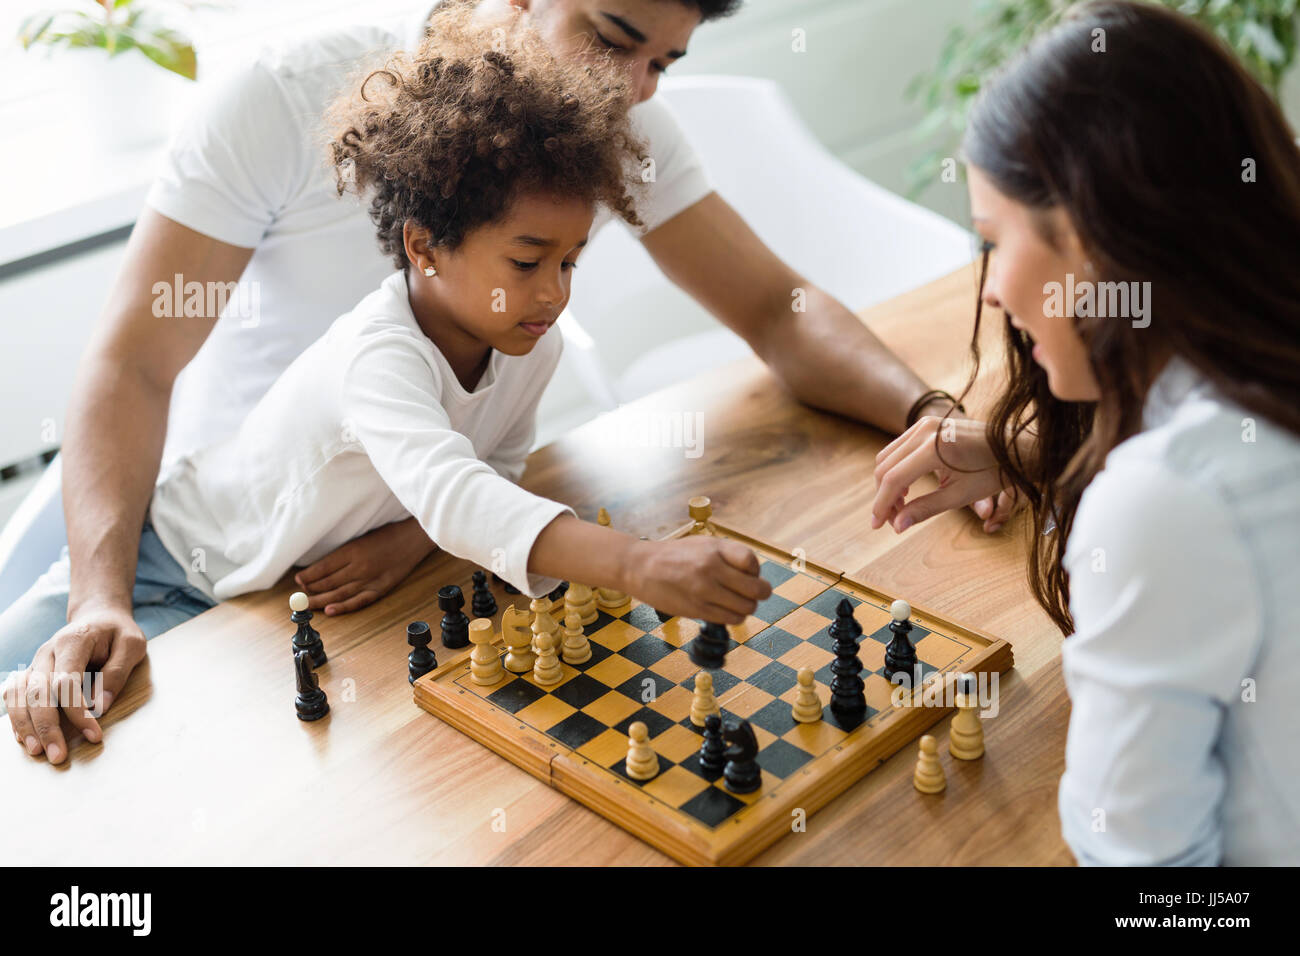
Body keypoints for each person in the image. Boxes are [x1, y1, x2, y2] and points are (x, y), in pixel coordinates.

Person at [5, 0, 999, 758]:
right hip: (190, 554)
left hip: (390, 575)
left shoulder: (613, 134)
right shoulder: (278, 94)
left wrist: (934, 417)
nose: (639, 88)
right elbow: (130, 365)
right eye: (612, 37)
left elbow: (775, 310)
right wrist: (102, 597)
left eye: (663, 61)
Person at [870, 1, 1300, 864]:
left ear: (1095, 238)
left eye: (995, 240)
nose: (990, 290)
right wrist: (1033, 451)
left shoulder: (1170, 500)